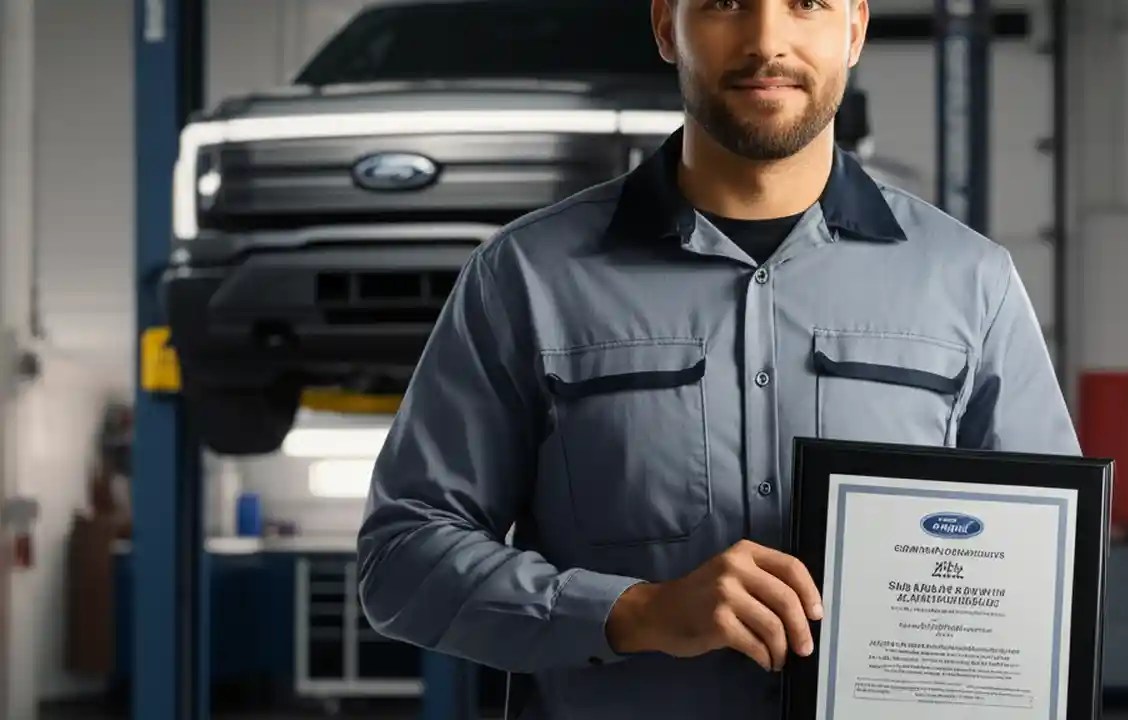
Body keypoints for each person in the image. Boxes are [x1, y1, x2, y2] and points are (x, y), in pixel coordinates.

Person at [357, 0, 1080, 717]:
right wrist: (637, 613)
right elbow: (403, 558)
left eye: (806, 5)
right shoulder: (526, 278)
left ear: (855, 27)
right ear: (667, 26)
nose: (767, 41)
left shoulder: (969, 281)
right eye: (726, 4)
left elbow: (1052, 571)